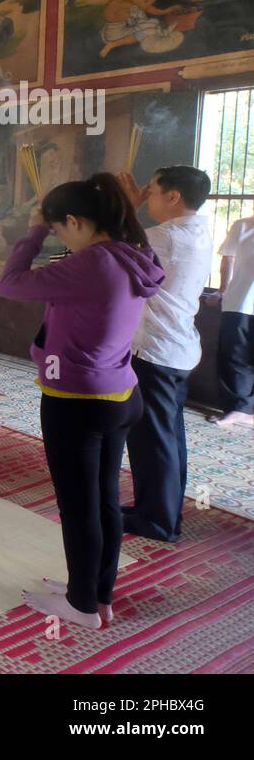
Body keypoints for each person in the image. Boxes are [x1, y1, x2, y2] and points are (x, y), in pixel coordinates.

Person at [0, 173, 163, 629]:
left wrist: (32, 231)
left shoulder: (92, 264)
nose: (55, 235)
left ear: (74, 220)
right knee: (104, 500)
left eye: (57, 228)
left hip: (77, 399)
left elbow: (11, 283)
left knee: (79, 507)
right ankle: (96, 591)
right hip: (119, 393)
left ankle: (81, 606)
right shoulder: (131, 255)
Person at [117, 166, 212, 542]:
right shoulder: (198, 229)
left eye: (152, 190)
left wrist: (128, 205)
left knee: (152, 438)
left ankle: (156, 520)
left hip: (157, 348)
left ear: (173, 197)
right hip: (175, 346)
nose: (146, 195)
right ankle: (160, 512)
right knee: (168, 435)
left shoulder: (167, 236)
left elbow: (112, 248)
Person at [211, 210, 254, 427]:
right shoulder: (242, 225)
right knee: (233, 354)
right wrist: (222, 290)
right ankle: (238, 408)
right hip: (240, 300)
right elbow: (227, 258)